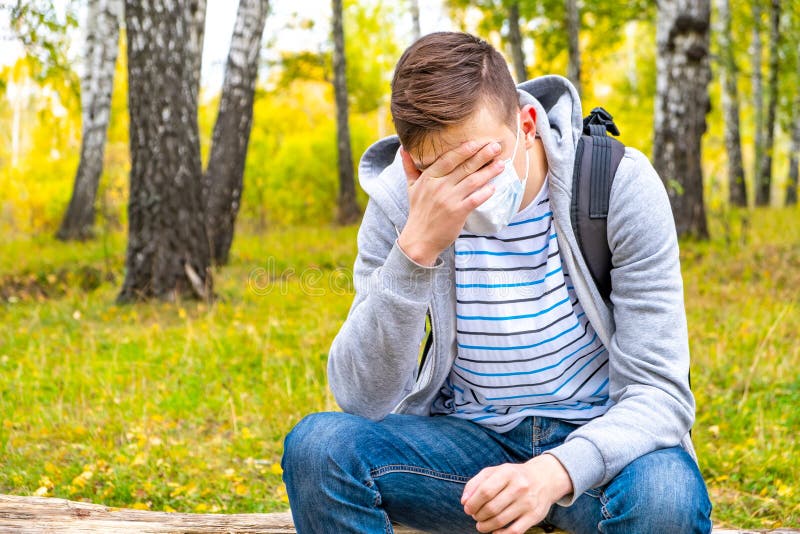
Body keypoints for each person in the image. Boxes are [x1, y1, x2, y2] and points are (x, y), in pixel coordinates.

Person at [281, 31, 712, 534]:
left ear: (526, 124)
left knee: (666, 500)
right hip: (467, 448)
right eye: (442, 171)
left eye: (483, 160)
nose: (470, 189)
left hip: (602, 441)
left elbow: (660, 392)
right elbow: (361, 397)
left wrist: (554, 472)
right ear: (410, 162)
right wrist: (415, 251)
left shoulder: (617, 183)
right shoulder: (399, 204)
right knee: (317, 447)